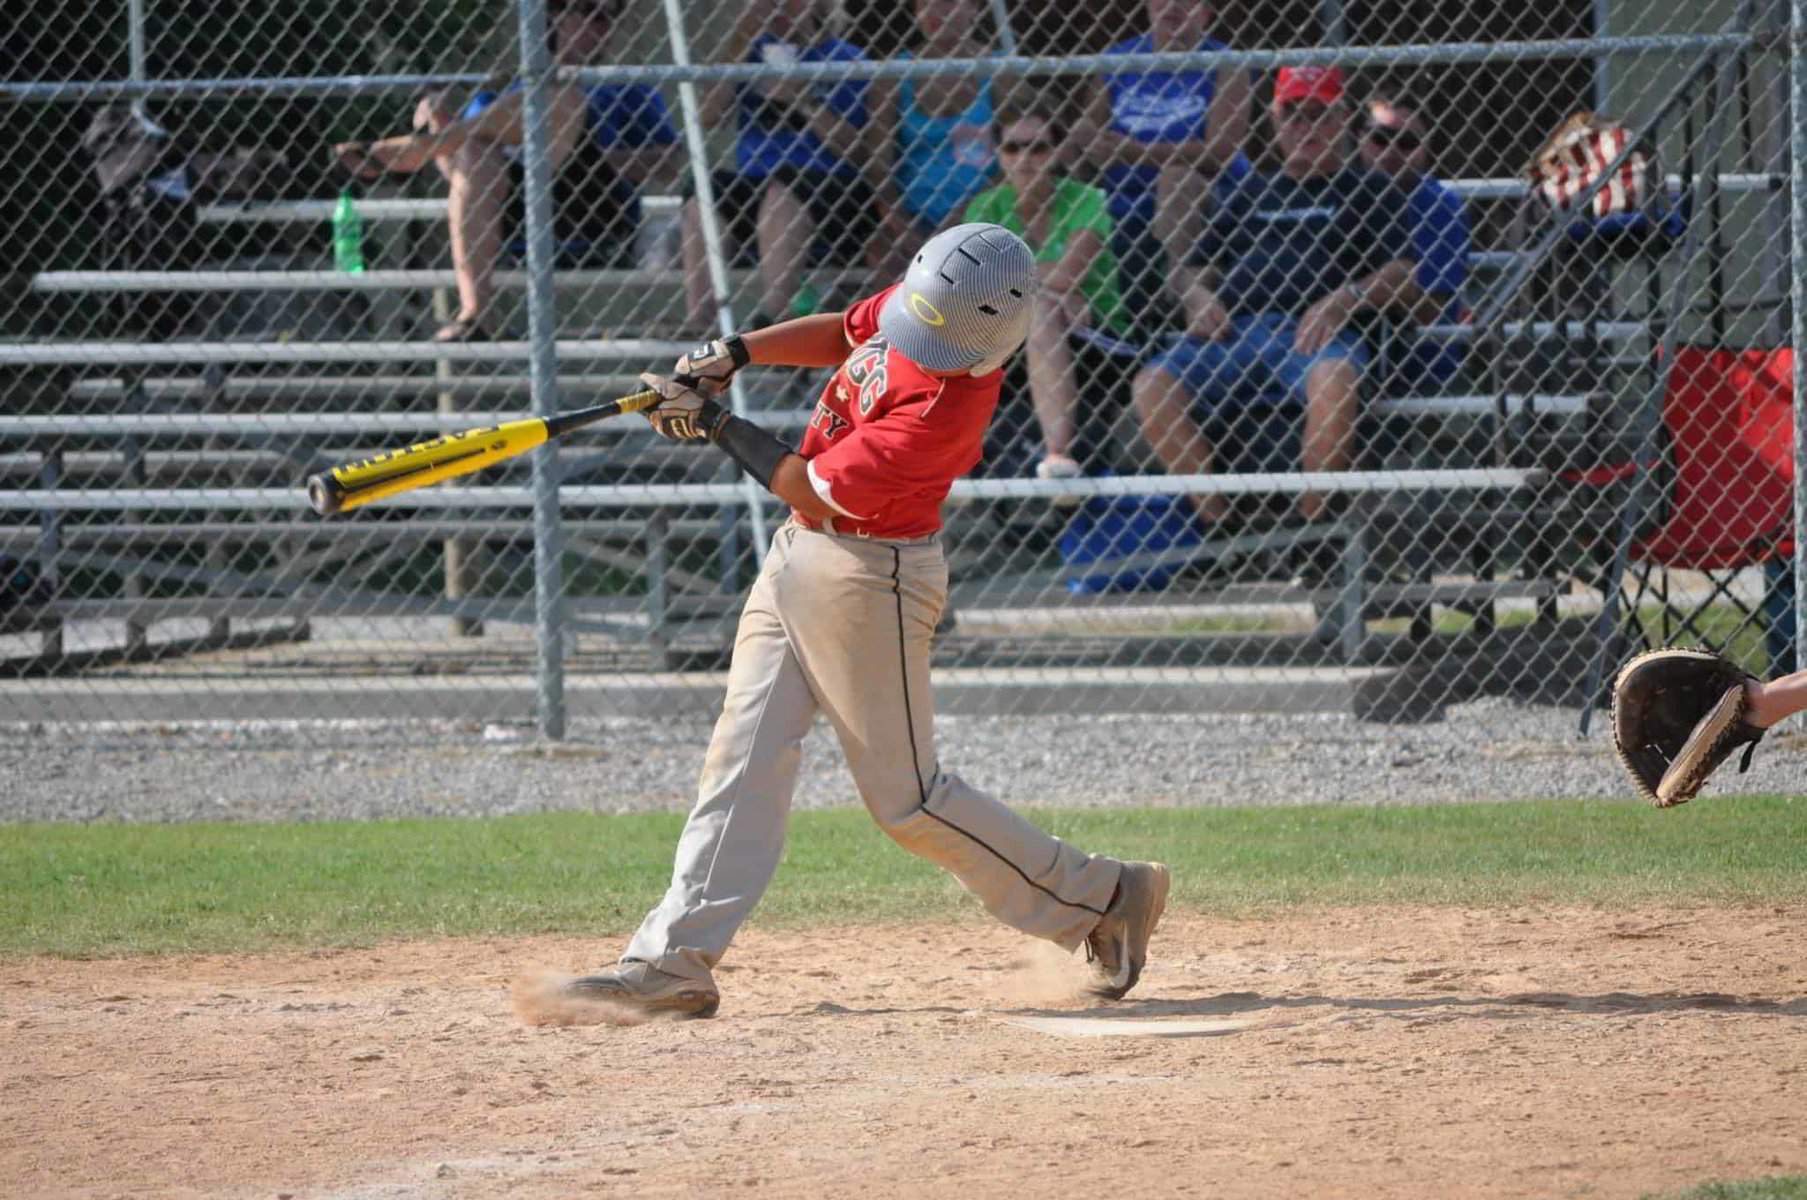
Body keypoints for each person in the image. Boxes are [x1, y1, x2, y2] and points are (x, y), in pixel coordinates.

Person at [557, 223, 1170, 1018]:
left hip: (869, 574)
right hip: (799, 557)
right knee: (741, 760)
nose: (905, 328)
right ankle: (671, 962)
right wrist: (736, 352)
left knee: (908, 801)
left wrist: (711, 425)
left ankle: (1105, 896)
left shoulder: (946, 409)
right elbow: (849, 328)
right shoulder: (938, 304)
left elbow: (808, 485)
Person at [1129, 66, 1422, 527]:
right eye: (1294, 115)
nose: (1306, 128)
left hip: (1312, 337)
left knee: (1336, 380)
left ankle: (1308, 533)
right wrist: (1197, 297)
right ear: (1275, 119)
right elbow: (1190, 272)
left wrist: (1346, 297)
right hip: (1231, 335)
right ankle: (1220, 528)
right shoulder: (1250, 190)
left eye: (1319, 115)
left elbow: (1404, 275)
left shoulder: (1369, 188)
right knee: (1150, 384)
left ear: (1342, 119)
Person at [334, 0, 678, 341]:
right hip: (516, 217)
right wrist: (442, 127)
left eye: (610, 17)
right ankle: (474, 311)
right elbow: (461, 174)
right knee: (479, 146)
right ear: (556, 17)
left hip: (594, 210)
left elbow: (669, 162)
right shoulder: (503, 91)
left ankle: (428, 145)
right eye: (591, 12)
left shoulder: (628, 87)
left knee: (564, 99)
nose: (603, 27)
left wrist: (586, 153)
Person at [680, 0, 876, 332]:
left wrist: (800, 98)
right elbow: (705, 117)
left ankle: (774, 317)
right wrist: (739, 46)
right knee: (704, 187)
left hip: (826, 185)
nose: (779, 7)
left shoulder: (847, 58)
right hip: (757, 181)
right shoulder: (749, 55)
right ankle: (698, 319)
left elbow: (856, 148)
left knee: (783, 187)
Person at [962, 104, 1131, 478]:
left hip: (1095, 334)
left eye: (1037, 148)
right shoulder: (984, 207)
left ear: (1055, 153)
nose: (1025, 159)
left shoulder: (1088, 198)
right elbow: (971, 283)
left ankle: (1058, 453)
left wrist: (1025, 284)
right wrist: (1050, 290)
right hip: (1007, 331)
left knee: (1041, 311)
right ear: (999, 156)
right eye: (1013, 148)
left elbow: (1070, 271)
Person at [1071, 0, 1251, 315]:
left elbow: (1220, 151)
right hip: (1122, 193)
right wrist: (1085, 138)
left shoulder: (1226, 63)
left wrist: (1136, 153)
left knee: (1176, 176)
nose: (1172, 6)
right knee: (1053, 160)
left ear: (1206, 12)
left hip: (1207, 195)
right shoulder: (1119, 58)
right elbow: (1090, 125)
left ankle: (1172, 299)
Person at [864, 0, 1002, 279]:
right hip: (913, 213)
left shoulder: (998, 70)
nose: (936, 12)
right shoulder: (894, 74)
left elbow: (1014, 159)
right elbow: (878, 166)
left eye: (947, 3)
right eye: (925, 4)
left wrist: (965, 218)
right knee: (881, 253)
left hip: (984, 208)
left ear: (974, 8)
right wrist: (900, 223)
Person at [1355, 96, 1472, 394]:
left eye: (1407, 141)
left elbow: (1430, 310)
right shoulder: (1342, 192)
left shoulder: (1439, 205)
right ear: (1360, 138)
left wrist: (1353, 295)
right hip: (1342, 352)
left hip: (1421, 368)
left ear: (1425, 145)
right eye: (1380, 138)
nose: (1392, 151)